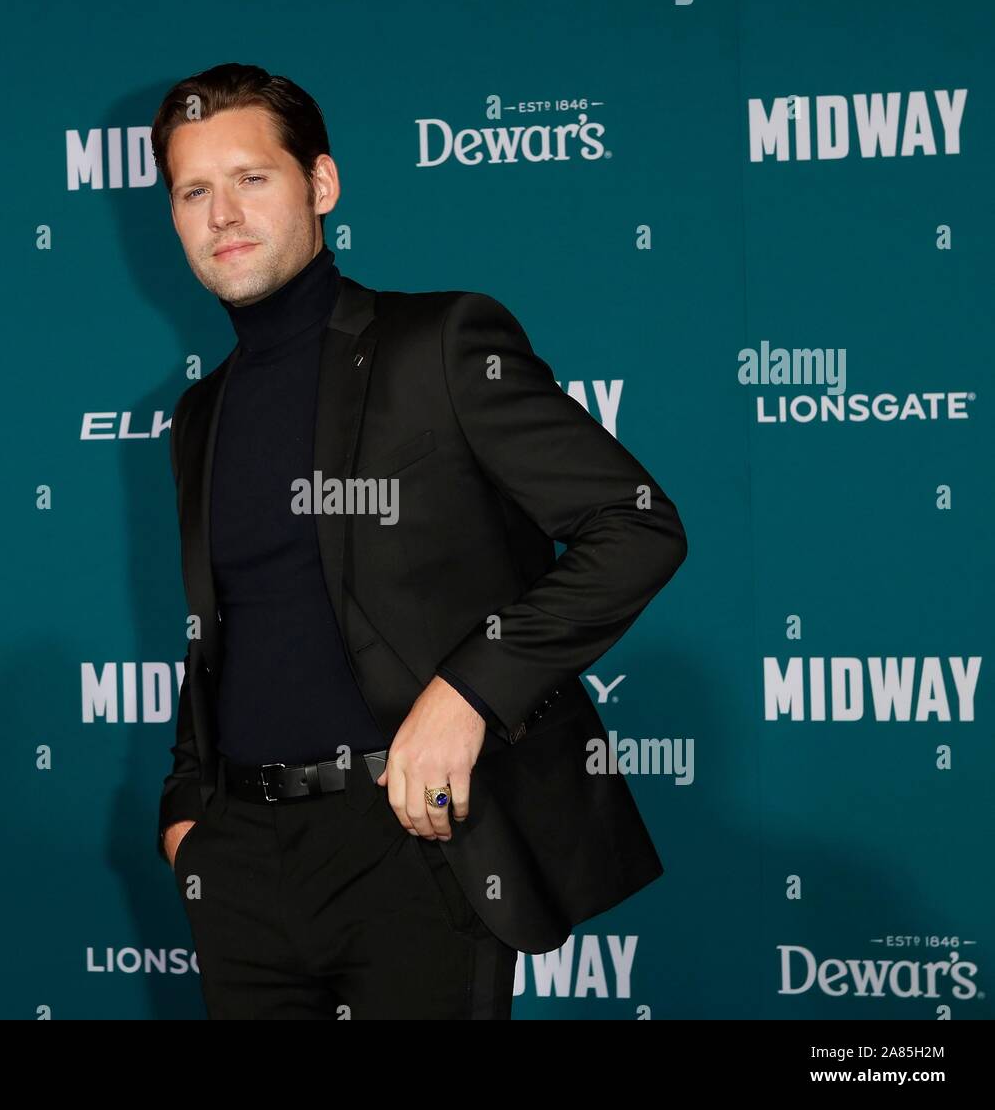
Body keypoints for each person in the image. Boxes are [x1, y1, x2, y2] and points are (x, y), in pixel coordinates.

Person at [149, 62, 688, 1019]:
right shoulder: (200, 414)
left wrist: (471, 692)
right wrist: (190, 815)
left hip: (411, 846)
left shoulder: (437, 345)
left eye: (252, 178)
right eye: (195, 190)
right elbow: (227, 630)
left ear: (321, 185)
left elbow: (636, 524)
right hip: (239, 869)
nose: (222, 213)